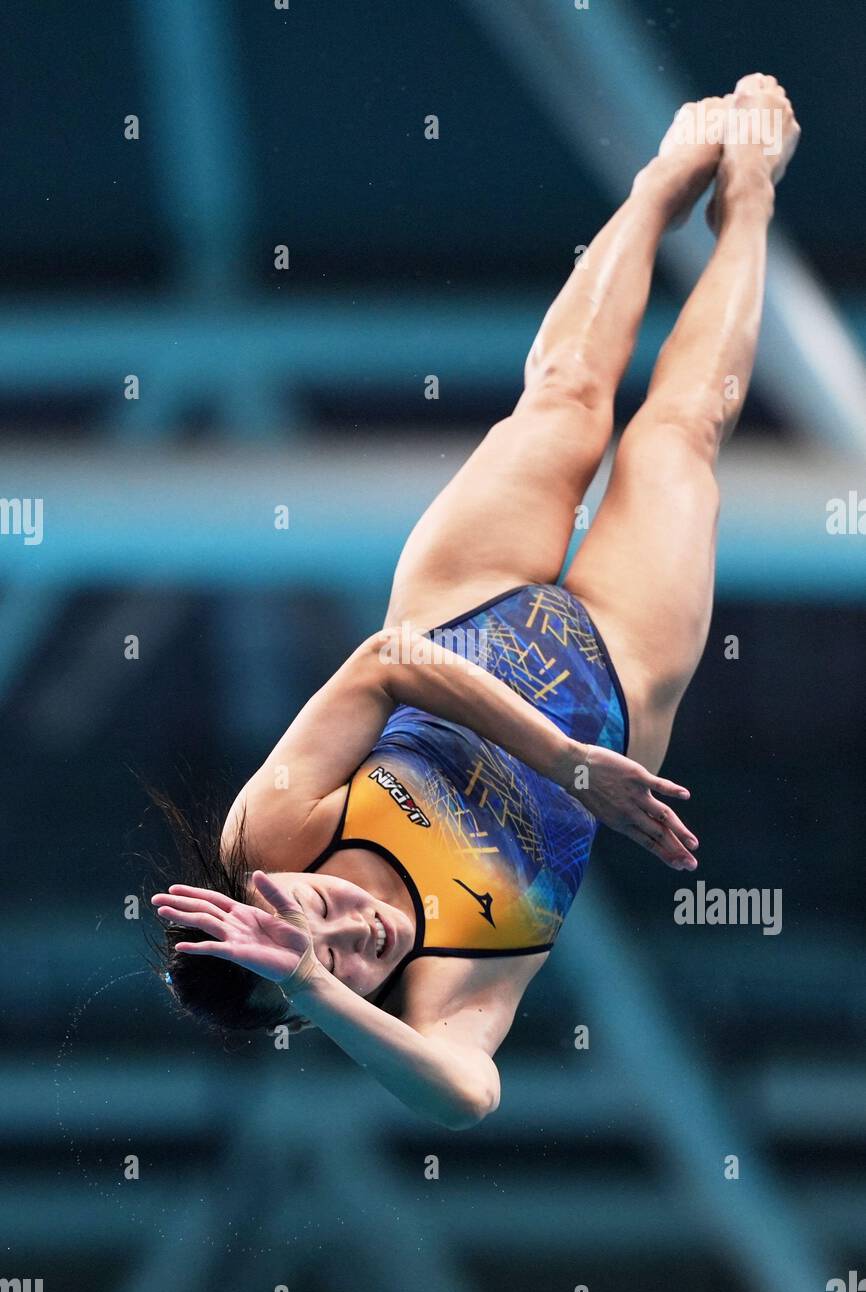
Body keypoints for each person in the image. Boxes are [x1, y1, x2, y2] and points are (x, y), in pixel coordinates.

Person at [152, 75, 799, 1129]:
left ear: (269, 891)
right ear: (339, 1009)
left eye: (317, 916)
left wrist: (564, 764)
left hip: (467, 610)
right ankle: (752, 195)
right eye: (348, 973)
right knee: (675, 438)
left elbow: (385, 659)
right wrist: (312, 982)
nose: (352, 934)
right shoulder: (459, 981)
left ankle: (660, 182)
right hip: (614, 678)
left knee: (564, 399)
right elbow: (467, 1096)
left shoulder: (271, 831)